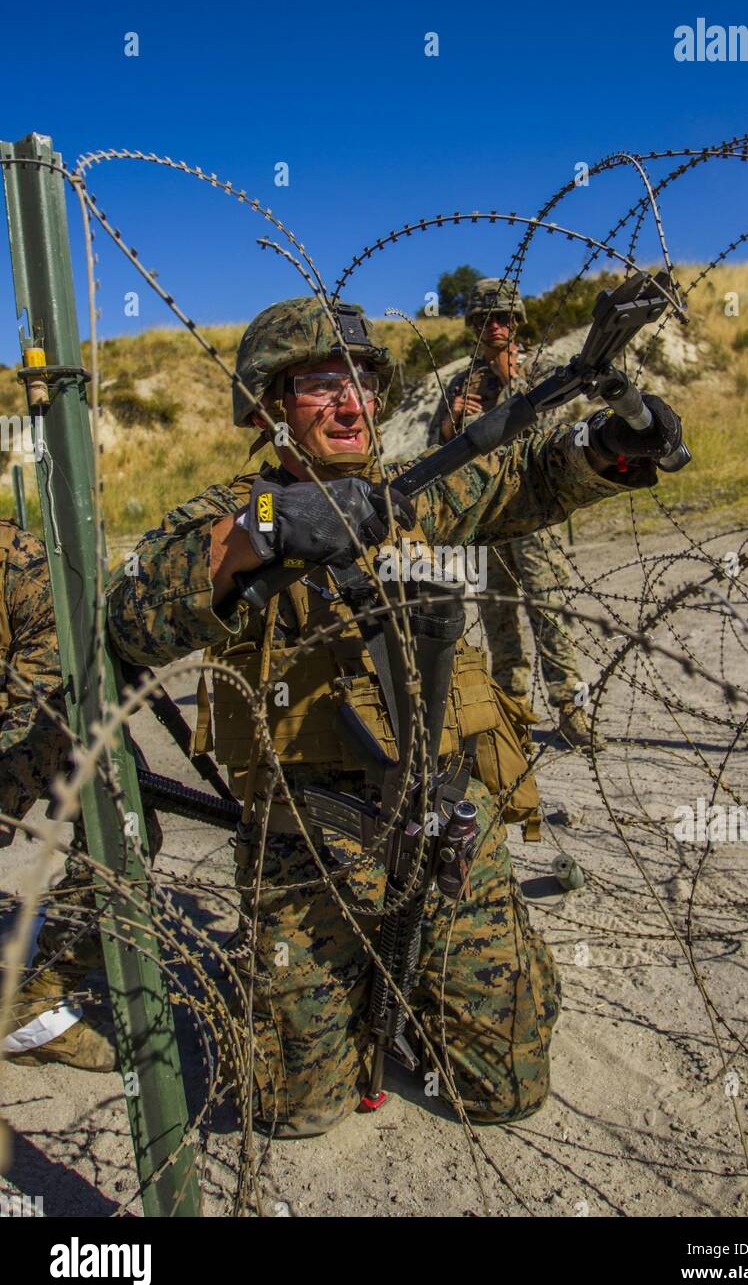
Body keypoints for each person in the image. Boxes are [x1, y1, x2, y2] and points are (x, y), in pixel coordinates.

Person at [106, 297, 683, 1137]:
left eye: (363, 381)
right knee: (290, 1111)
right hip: (309, 838)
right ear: (269, 407)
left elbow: (522, 475)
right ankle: (313, 988)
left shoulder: (405, 495)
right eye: (318, 385)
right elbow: (133, 610)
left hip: (441, 817)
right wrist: (262, 529)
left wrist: (605, 446)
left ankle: (436, 982)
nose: (351, 403)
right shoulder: (228, 511)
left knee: (506, 1090)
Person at [0, 519, 158, 1071]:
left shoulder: (19, 562)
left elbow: (47, 698)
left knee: (124, 829)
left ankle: (34, 1004)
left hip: (28, 731)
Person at [428, 278, 603, 749]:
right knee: (497, 614)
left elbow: (555, 435)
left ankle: (570, 707)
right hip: (484, 516)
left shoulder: (543, 368)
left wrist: (513, 382)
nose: (498, 327)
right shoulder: (462, 382)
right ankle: (512, 711)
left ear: (517, 322)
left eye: (505, 318)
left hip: (532, 507)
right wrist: (448, 422)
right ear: (475, 326)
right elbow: (438, 453)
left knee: (549, 608)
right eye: (489, 319)